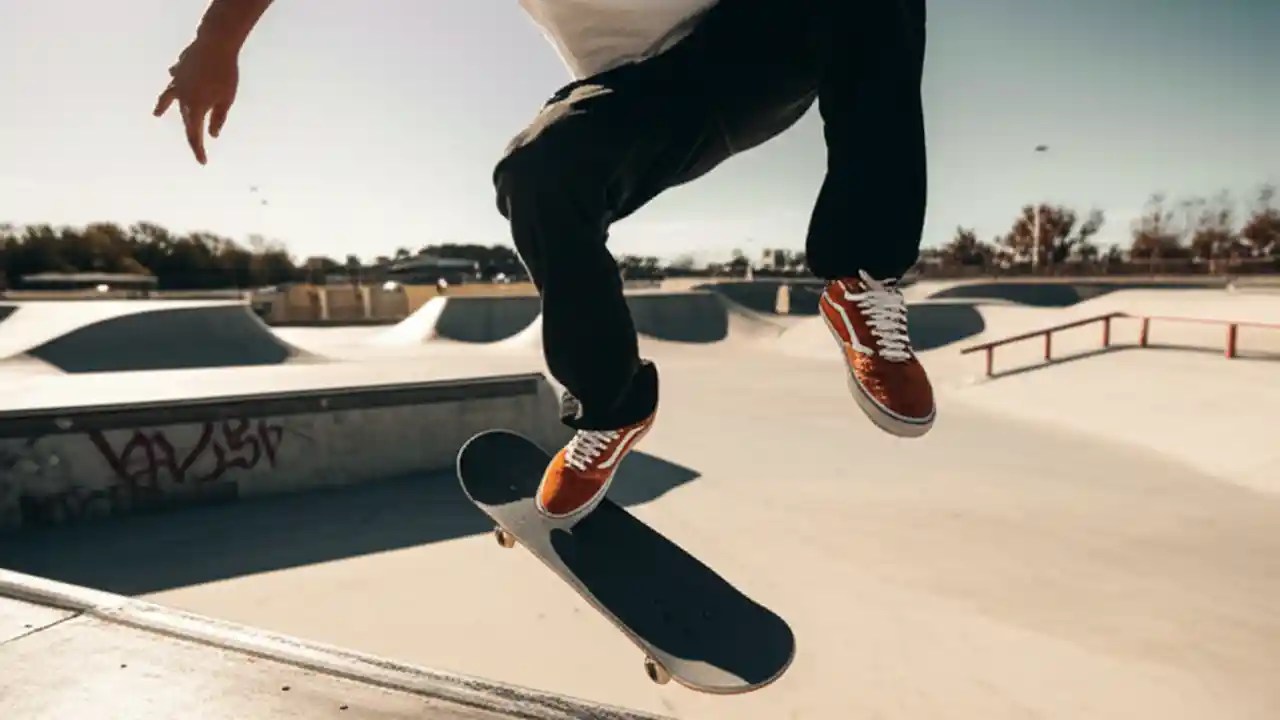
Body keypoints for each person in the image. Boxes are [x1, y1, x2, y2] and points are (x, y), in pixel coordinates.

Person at [155, 0, 934, 525]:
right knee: (536, 169)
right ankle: (611, 404)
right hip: (636, 96)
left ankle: (861, 277)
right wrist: (217, 39)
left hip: (754, 42)